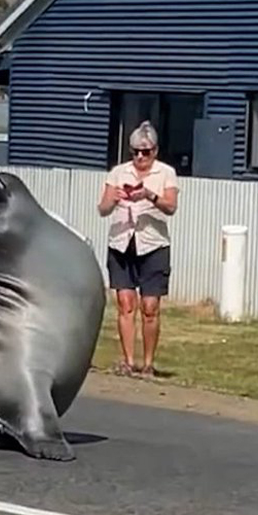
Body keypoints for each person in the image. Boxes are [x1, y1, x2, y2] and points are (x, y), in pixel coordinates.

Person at [96, 120, 179, 378]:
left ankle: (148, 364)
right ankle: (128, 361)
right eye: (135, 152)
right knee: (125, 302)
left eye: (146, 152)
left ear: (155, 151)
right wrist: (114, 199)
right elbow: (102, 209)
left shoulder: (166, 173)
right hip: (122, 242)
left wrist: (149, 196)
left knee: (150, 305)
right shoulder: (118, 172)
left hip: (153, 244)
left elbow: (171, 207)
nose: (140, 157)